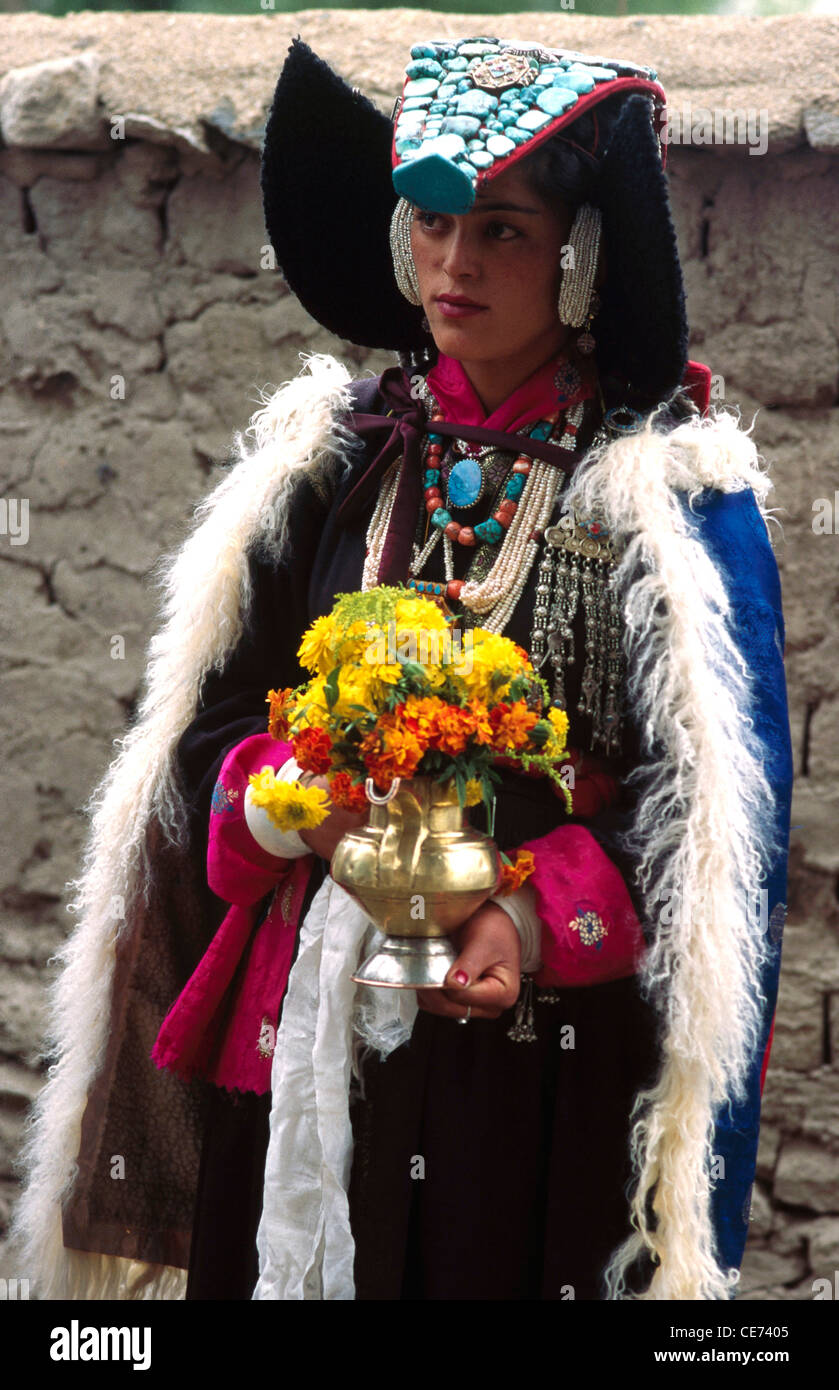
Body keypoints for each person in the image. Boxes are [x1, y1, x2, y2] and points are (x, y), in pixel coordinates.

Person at [11, 36, 792, 1302]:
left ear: (578, 254)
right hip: (309, 1017)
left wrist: (526, 913)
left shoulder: (662, 504)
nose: (454, 263)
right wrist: (278, 798)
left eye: (501, 230)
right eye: (430, 222)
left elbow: (705, 827)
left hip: (529, 1059)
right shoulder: (336, 464)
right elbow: (211, 728)